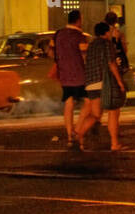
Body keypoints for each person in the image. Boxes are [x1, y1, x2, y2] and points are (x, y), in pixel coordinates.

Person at [77, 23, 126, 151]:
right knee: (113, 111)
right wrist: (120, 82)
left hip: (91, 83)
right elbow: (111, 63)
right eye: (109, 31)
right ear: (105, 33)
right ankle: (115, 144)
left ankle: (79, 135)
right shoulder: (107, 44)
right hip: (104, 82)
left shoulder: (92, 44)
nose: (110, 33)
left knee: (95, 114)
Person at [53, 11, 88, 147]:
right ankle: (77, 130)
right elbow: (84, 54)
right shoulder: (79, 36)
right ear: (78, 21)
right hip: (79, 75)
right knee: (88, 102)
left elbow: (51, 52)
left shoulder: (58, 34)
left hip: (64, 75)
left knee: (68, 103)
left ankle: (69, 135)